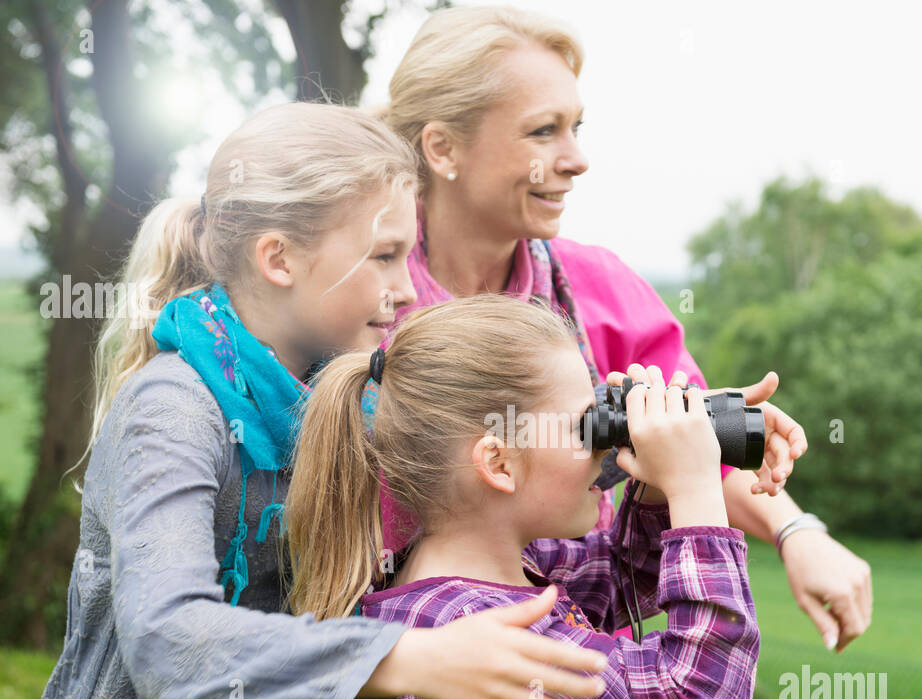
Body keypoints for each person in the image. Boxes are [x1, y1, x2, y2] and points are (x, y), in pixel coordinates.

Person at [0, 103, 608, 699]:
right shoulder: (174, 409)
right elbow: (168, 636)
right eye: (383, 257)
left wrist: (644, 451)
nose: (407, 289)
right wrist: (417, 658)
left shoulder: (342, 409)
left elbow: (512, 485)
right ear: (280, 259)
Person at [372, 4, 871, 655]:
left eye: (576, 127)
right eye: (543, 132)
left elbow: (681, 446)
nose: (577, 159)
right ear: (443, 147)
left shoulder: (600, 289)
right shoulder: (361, 296)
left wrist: (795, 528)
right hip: (393, 693)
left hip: (580, 674)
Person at [285, 295, 760, 699]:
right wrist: (696, 491)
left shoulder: (485, 578)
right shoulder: (473, 627)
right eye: (588, 426)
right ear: (500, 463)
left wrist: (668, 465)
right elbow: (694, 698)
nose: (605, 449)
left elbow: (618, 577)